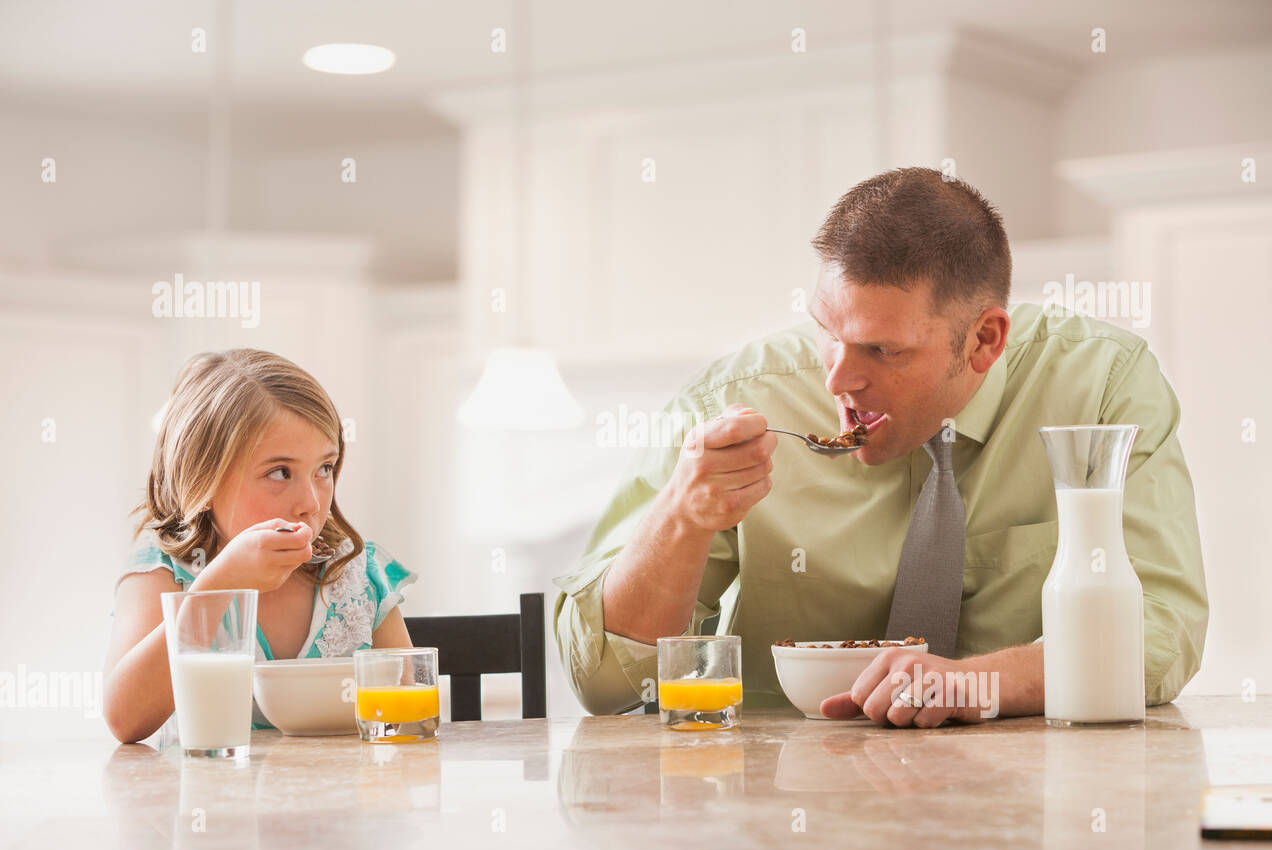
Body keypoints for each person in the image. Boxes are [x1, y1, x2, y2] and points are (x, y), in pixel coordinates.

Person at [553, 167, 1208, 726]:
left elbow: (1164, 628)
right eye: (826, 331)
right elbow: (609, 686)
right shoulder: (733, 399)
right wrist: (681, 517)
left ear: (984, 340)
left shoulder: (1103, 386)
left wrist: (978, 684)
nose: (838, 378)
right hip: (776, 815)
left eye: (882, 350)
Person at [104, 349, 417, 743]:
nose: (311, 502)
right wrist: (220, 584)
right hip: (206, 800)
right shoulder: (163, 573)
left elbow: (407, 719)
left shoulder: (358, 573)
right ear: (205, 480)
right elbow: (125, 720)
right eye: (280, 472)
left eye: (324, 469)